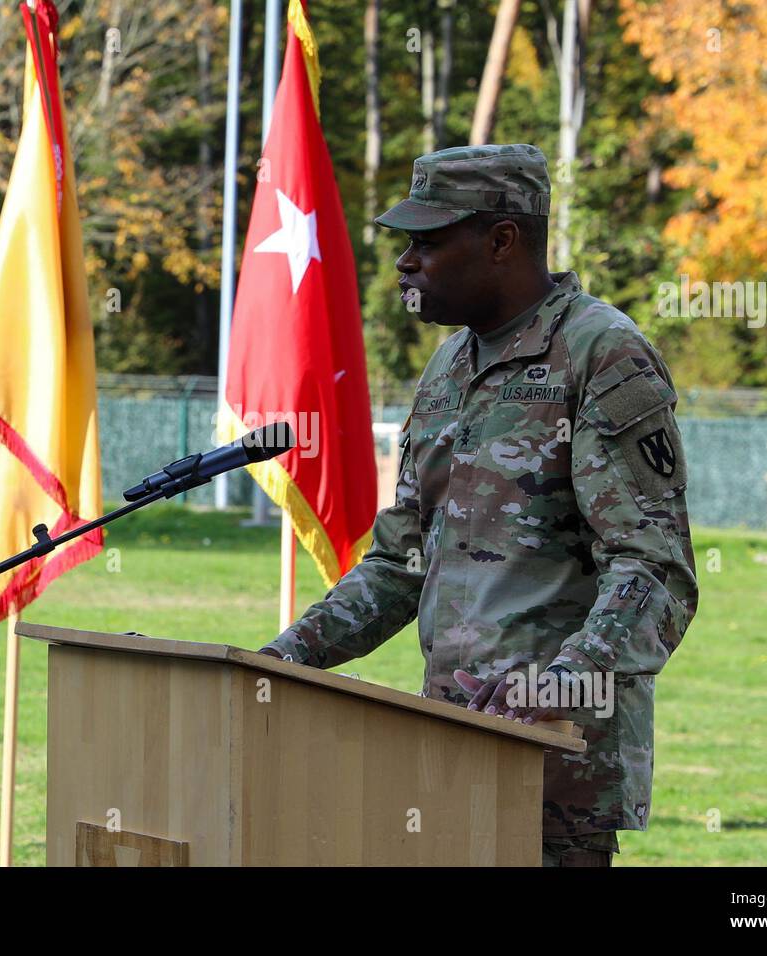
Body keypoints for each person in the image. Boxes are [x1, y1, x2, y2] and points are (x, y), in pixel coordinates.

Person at [258, 144, 699, 867]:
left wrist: (564, 680)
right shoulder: (449, 367)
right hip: (445, 752)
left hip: (552, 767)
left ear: (502, 239)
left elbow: (655, 570)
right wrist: (286, 657)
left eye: (428, 242)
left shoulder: (599, 352)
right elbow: (401, 564)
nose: (405, 263)